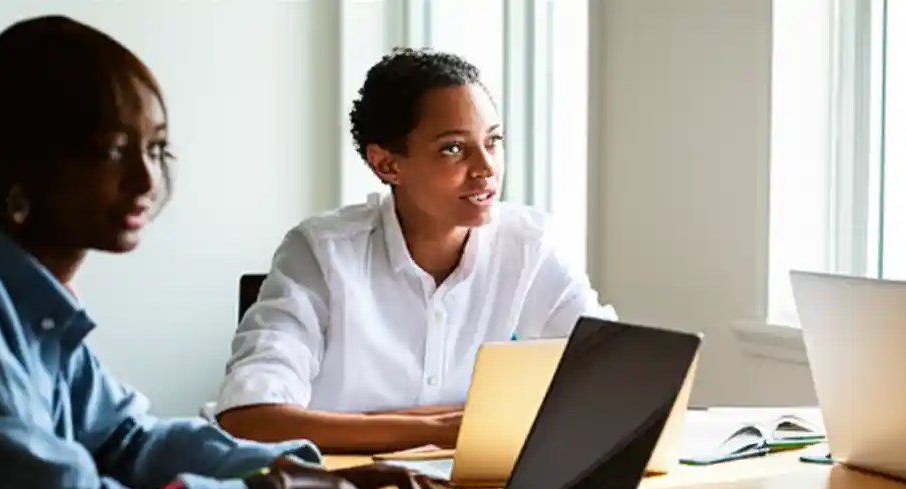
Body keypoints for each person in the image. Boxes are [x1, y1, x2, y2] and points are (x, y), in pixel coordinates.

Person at [0, 16, 449, 489]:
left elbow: (128, 441)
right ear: (24, 163)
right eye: (111, 151)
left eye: (157, 149)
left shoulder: (21, 295)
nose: (145, 180)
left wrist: (292, 471)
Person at [215, 49, 613, 454]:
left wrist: (377, 423)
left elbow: (615, 381)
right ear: (387, 165)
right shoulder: (322, 252)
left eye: (493, 141)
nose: (486, 167)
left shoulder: (531, 245)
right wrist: (437, 429)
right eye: (454, 149)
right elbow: (248, 418)